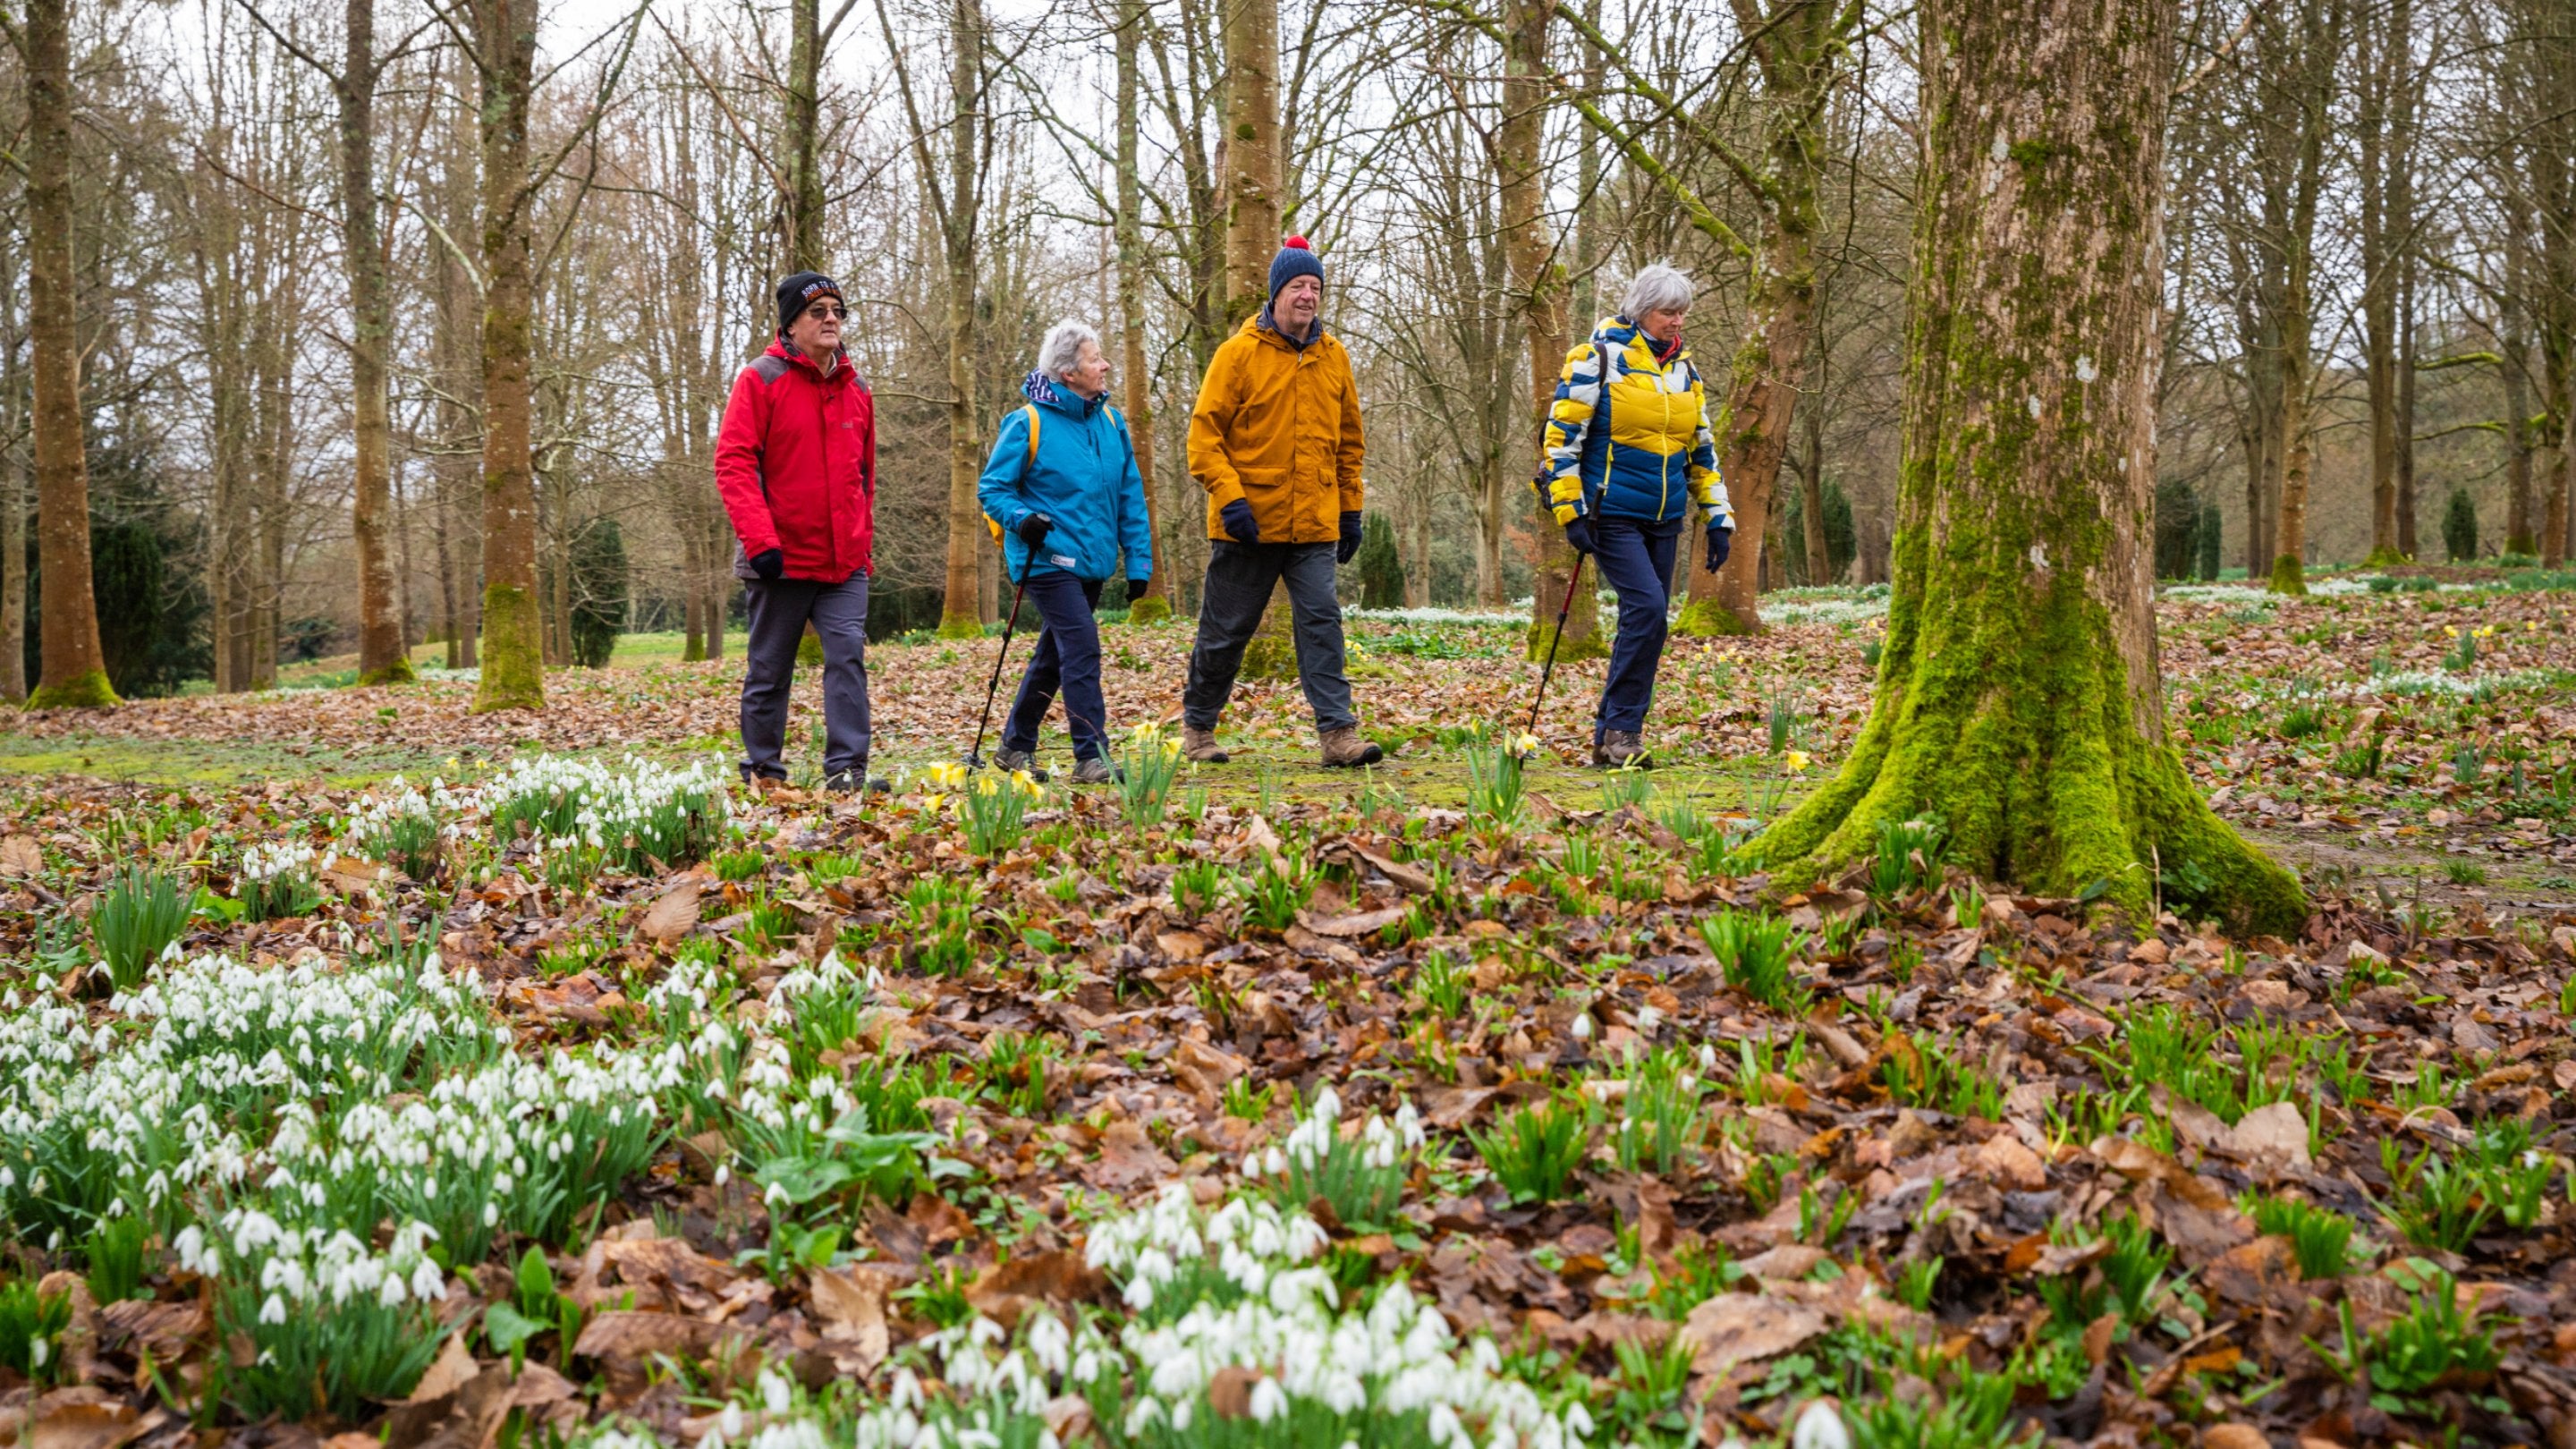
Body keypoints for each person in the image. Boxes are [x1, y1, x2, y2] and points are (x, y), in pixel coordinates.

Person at [1179, 236, 1382, 768]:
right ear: (1276, 293)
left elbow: (1350, 441)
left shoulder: (1334, 357)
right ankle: (1198, 728)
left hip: (1315, 522)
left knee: (1322, 624)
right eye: (1298, 286)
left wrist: (1351, 508)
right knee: (1225, 634)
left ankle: (1338, 736)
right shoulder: (1237, 354)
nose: (1309, 296)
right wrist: (1230, 500)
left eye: (1316, 287)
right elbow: (1204, 438)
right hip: (1248, 524)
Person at [1533, 263, 1734, 769]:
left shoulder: (1685, 371)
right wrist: (1571, 512)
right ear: (1642, 310)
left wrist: (1718, 518)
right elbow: (1560, 442)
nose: (1678, 321)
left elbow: (1702, 450)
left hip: (1665, 514)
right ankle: (1624, 729)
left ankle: (1610, 735)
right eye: (1669, 311)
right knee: (1647, 611)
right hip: (1612, 512)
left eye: (1683, 312)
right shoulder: (1595, 359)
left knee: (1646, 620)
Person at [714, 271, 888, 794]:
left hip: (843, 562)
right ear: (791, 323)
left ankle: (847, 772)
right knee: (769, 671)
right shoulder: (760, 379)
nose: (832, 318)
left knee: (847, 659)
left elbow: (865, 477)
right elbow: (734, 463)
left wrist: (861, 544)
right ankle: (764, 772)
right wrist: (760, 541)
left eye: (838, 309)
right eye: (819, 311)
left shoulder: (857, 388)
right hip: (780, 558)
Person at [975, 320, 1156, 784]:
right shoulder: (1027, 422)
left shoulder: (1111, 422)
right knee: (1081, 646)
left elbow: (1129, 495)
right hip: (1046, 559)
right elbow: (993, 488)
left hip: (1092, 560)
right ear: (1068, 373)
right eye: (1096, 358)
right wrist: (1023, 519)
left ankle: (1016, 746)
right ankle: (1090, 755)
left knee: (1055, 655)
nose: (1106, 365)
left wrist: (1138, 561)